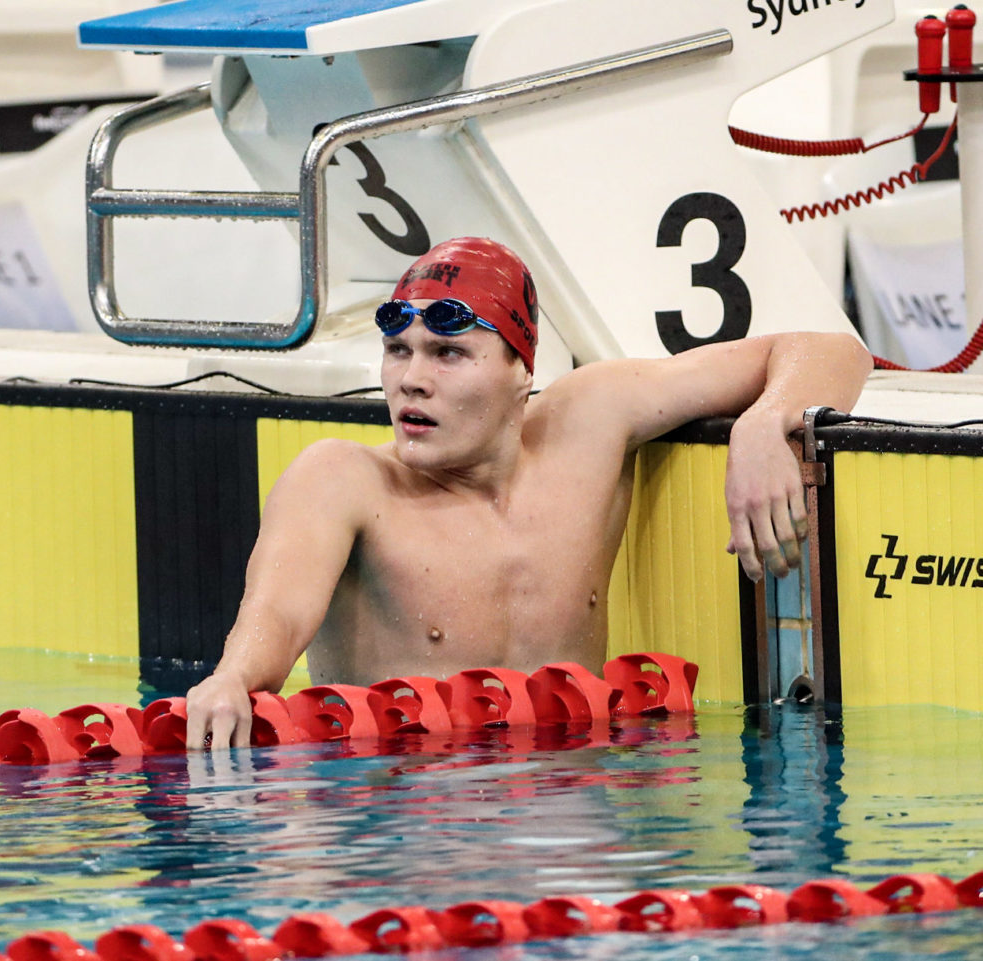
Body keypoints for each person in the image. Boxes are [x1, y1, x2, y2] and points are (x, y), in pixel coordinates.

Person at [186, 236, 872, 749]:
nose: (410, 380)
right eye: (400, 350)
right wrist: (230, 678)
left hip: (574, 811)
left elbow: (833, 351)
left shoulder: (589, 422)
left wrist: (764, 424)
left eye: (448, 353)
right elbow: (271, 620)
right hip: (401, 828)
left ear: (522, 369)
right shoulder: (343, 479)